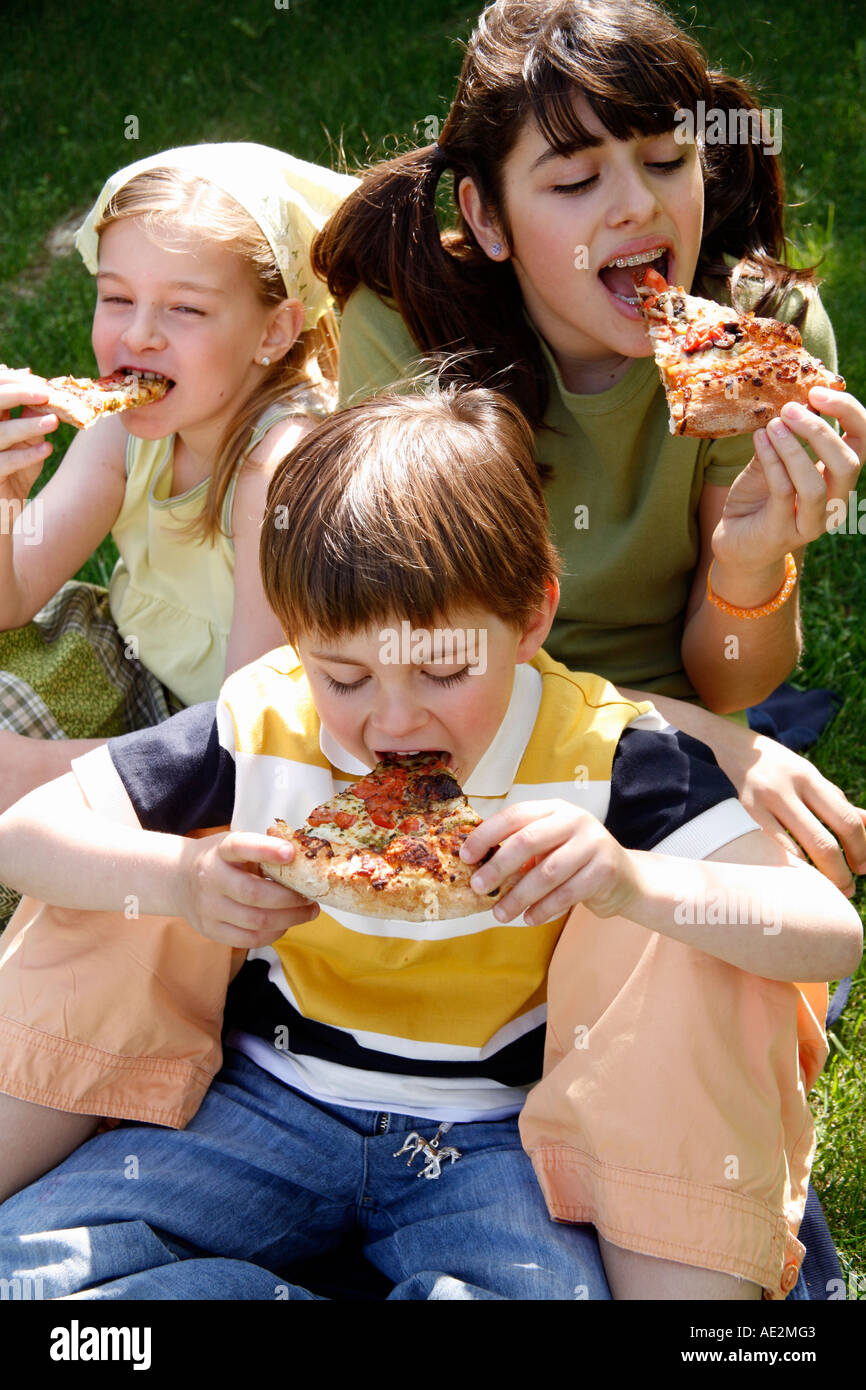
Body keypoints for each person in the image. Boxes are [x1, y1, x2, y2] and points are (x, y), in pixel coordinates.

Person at [0, 385, 859, 1300]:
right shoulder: (269, 720)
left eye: (444, 670)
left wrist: (627, 881)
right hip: (271, 1101)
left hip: (493, 1139)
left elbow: (826, 931)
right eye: (346, 676)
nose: (392, 718)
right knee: (26, 1273)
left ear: (531, 621)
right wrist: (183, 875)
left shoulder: (610, 754)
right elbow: (24, 835)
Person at [311, 0, 866, 894]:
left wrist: (754, 560)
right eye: (575, 183)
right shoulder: (402, 328)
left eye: (666, 161)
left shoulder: (760, 338)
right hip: (451, 710)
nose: (639, 206)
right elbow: (409, 640)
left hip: (676, 709)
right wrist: (717, 743)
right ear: (488, 220)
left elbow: (727, 682)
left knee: (742, 922)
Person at [0, 142, 355, 1188]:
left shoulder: (276, 465)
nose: (134, 337)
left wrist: (53, 777)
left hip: (251, 757)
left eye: (184, 311)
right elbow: (15, 594)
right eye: (116, 299)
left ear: (276, 330)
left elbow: (252, 730)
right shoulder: (128, 429)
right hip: (147, 686)